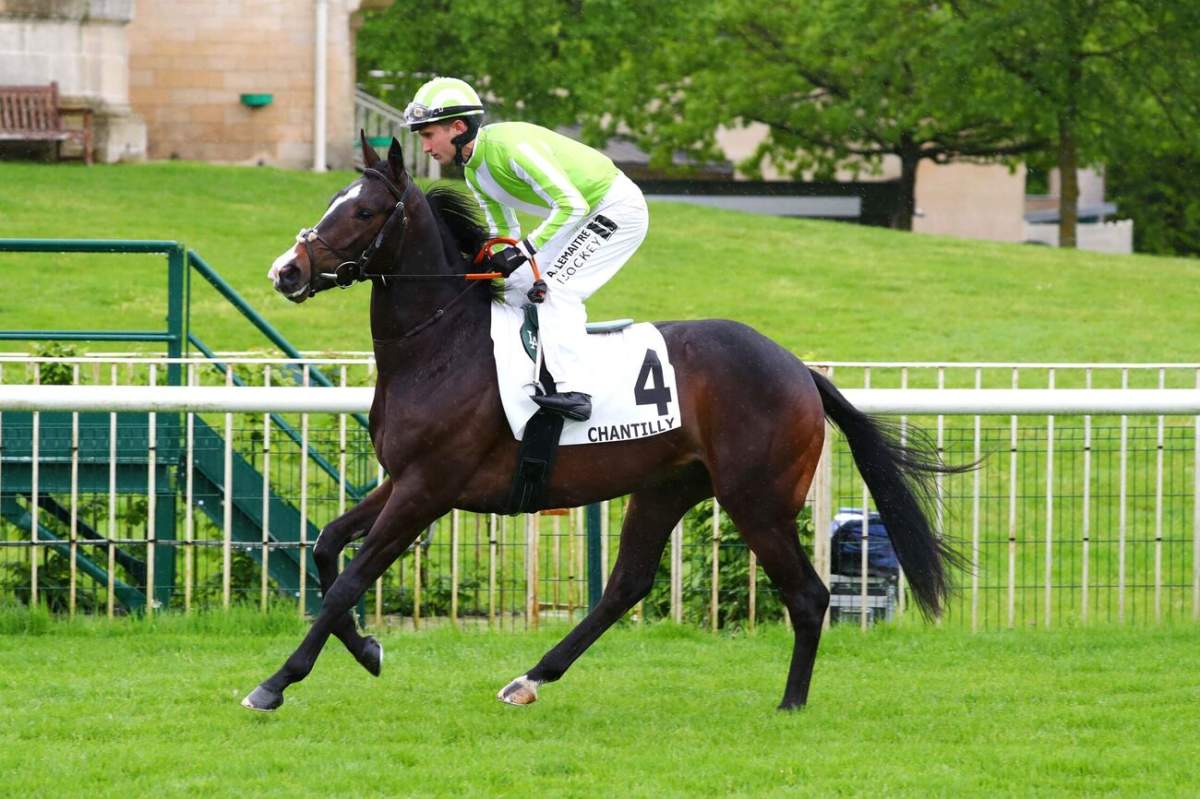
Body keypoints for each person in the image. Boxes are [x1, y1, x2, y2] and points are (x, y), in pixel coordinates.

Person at [405, 76, 649, 423]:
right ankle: (514, 372)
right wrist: (486, 260)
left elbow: (571, 204)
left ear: (458, 127)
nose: (426, 146)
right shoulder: (474, 172)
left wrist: (523, 250)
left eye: (428, 134)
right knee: (514, 284)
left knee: (555, 289)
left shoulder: (510, 147)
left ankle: (574, 390)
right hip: (579, 216)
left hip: (615, 209)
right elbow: (503, 230)